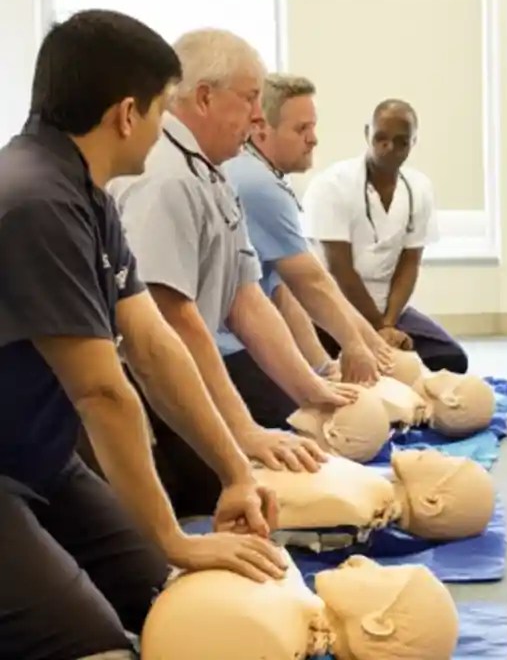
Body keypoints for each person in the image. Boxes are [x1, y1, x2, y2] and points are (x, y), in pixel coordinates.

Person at [0, 9, 286, 660]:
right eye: (163, 109)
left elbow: (155, 347)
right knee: (100, 647)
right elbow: (103, 392)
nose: (164, 128)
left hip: (39, 459)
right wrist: (172, 535)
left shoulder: (88, 197)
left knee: (179, 602)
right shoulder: (34, 200)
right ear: (129, 114)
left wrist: (236, 472)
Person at [108, 28, 353, 518]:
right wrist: (240, 432)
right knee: (246, 483)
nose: (259, 115)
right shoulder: (165, 178)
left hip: (182, 368)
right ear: (204, 98)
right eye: (249, 99)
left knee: (286, 455)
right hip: (137, 379)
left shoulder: (214, 173)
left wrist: (312, 387)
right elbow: (171, 320)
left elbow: (247, 298)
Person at [219, 73, 390, 401]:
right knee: (338, 417)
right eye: (301, 129)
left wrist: (324, 366)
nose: (313, 139)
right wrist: (358, 346)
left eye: (312, 127)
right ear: (260, 129)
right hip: (224, 350)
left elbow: (284, 291)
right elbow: (311, 283)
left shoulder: (256, 174)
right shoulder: (257, 183)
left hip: (240, 335)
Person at [302, 99, 468, 374]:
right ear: (367, 133)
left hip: (388, 310)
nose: (389, 148)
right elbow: (339, 268)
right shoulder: (331, 186)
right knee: (329, 367)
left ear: (414, 142)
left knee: (450, 359)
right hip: (333, 308)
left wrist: (388, 323)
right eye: (381, 138)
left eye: (401, 141)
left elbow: (410, 262)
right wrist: (377, 328)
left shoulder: (419, 189)